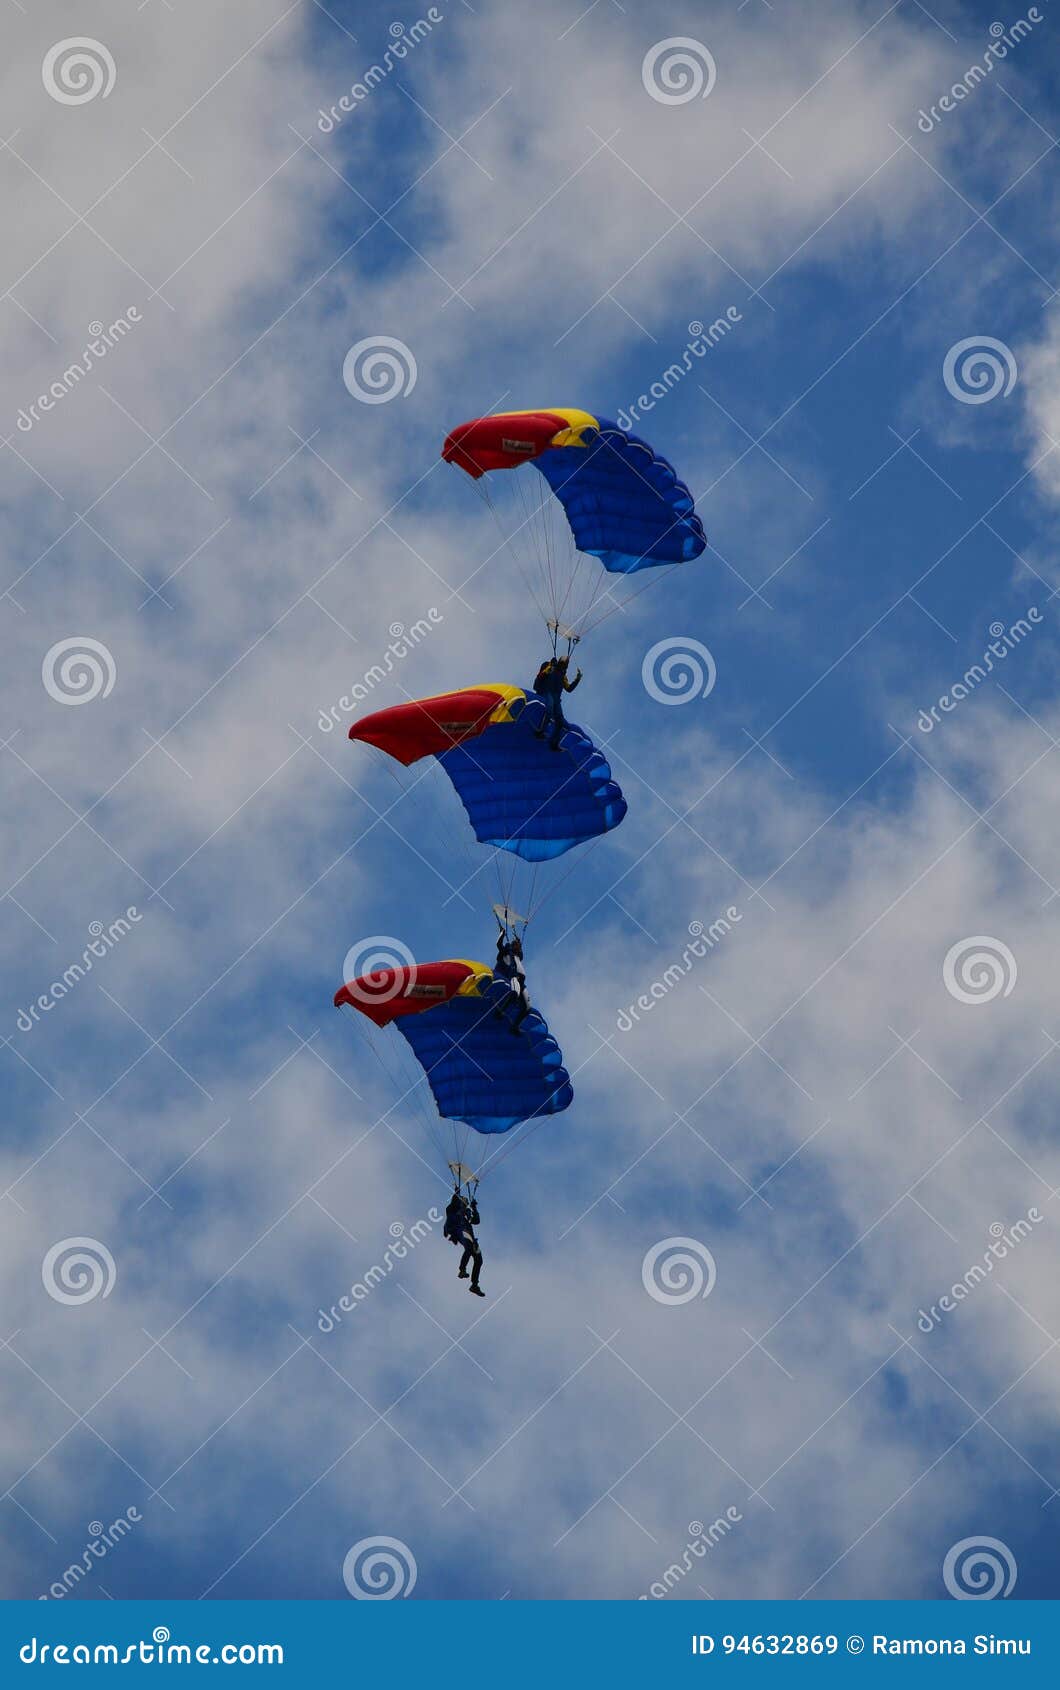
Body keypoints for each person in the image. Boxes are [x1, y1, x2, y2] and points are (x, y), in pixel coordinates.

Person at [533, 654, 582, 751]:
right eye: (563, 661)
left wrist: (577, 679)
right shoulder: (548, 665)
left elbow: (568, 688)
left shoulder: (563, 675)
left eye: (566, 662)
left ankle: (554, 743)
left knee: (560, 721)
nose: (564, 663)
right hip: (546, 691)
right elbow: (539, 677)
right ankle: (541, 731)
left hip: (556, 698)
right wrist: (548, 669)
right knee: (550, 708)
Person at [444, 1187, 484, 1295]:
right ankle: (462, 1270)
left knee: (479, 1259)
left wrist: (474, 1208)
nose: (466, 1202)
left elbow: (476, 1221)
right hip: (458, 1229)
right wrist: (457, 1191)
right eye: (464, 1200)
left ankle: (474, 1285)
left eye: (466, 1202)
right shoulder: (452, 1209)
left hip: (469, 1234)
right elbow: (455, 1200)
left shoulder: (466, 1214)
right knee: (469, 1248)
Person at [495, 929, 531, 1035]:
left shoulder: (518, 956)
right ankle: (500, 1011)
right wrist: (502, 933)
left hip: (522, 983)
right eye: (515, 944)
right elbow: (498, 944)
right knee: (515, 993)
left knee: (527, 1007)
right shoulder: (507, 953)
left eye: (518, 945)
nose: (517, 946)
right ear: (511, 946)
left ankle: (514, 1027)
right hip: (514, 977)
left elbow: (520, 952)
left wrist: (518, 941)